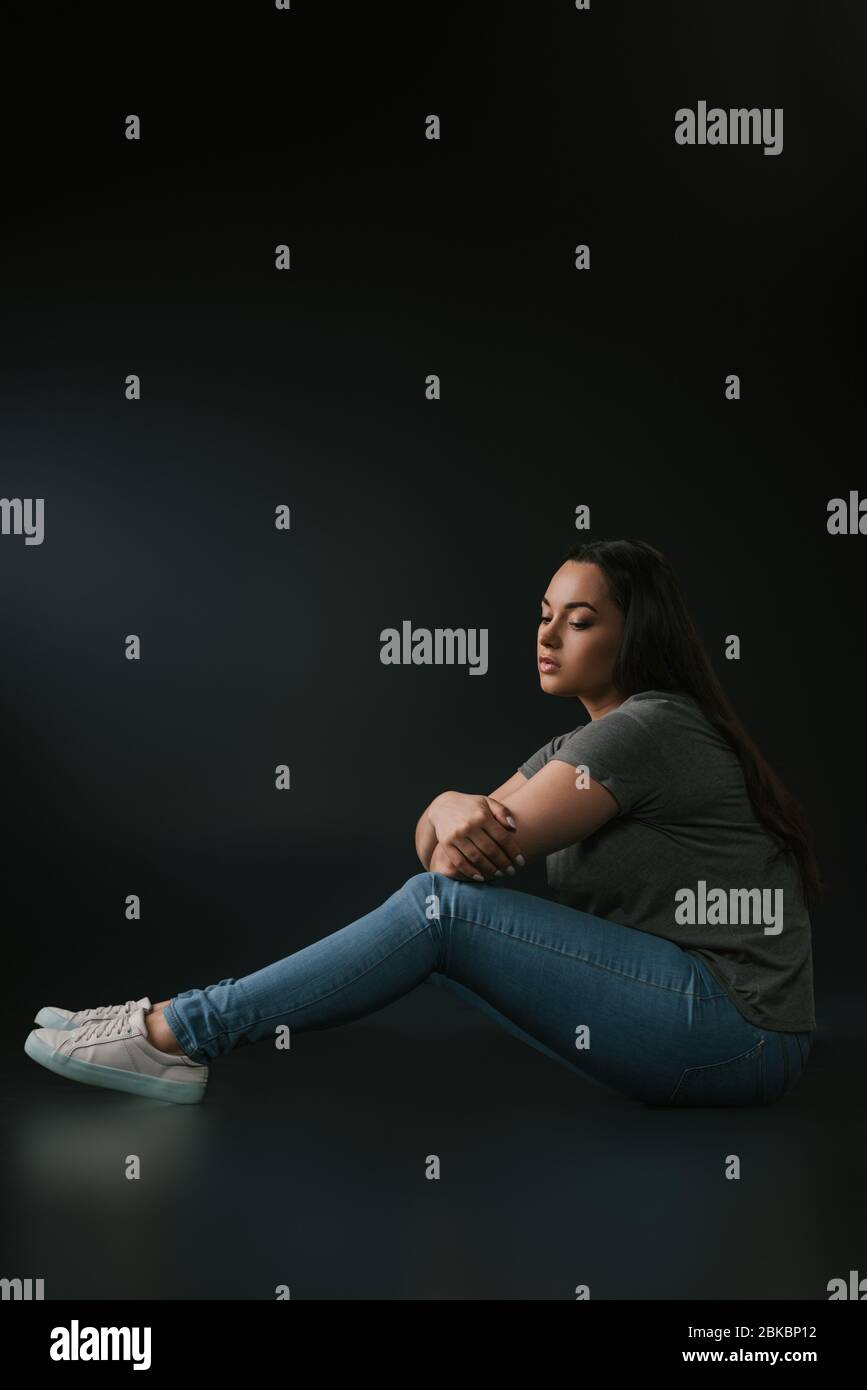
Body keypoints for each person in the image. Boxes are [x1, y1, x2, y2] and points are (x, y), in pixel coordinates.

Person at [24, 539, 820, 1108]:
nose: (544, 636)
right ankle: (172, 1034)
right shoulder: (579, 744)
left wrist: (452, 808)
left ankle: (175, 1034)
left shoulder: (646, 728)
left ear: (635, 634)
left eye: (577, 620)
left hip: (731, 1032)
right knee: (435, 927)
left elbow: (464, 868)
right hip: (705, 1035)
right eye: (542, 615)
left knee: (435, 921)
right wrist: (446, 807)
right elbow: (449, 857)